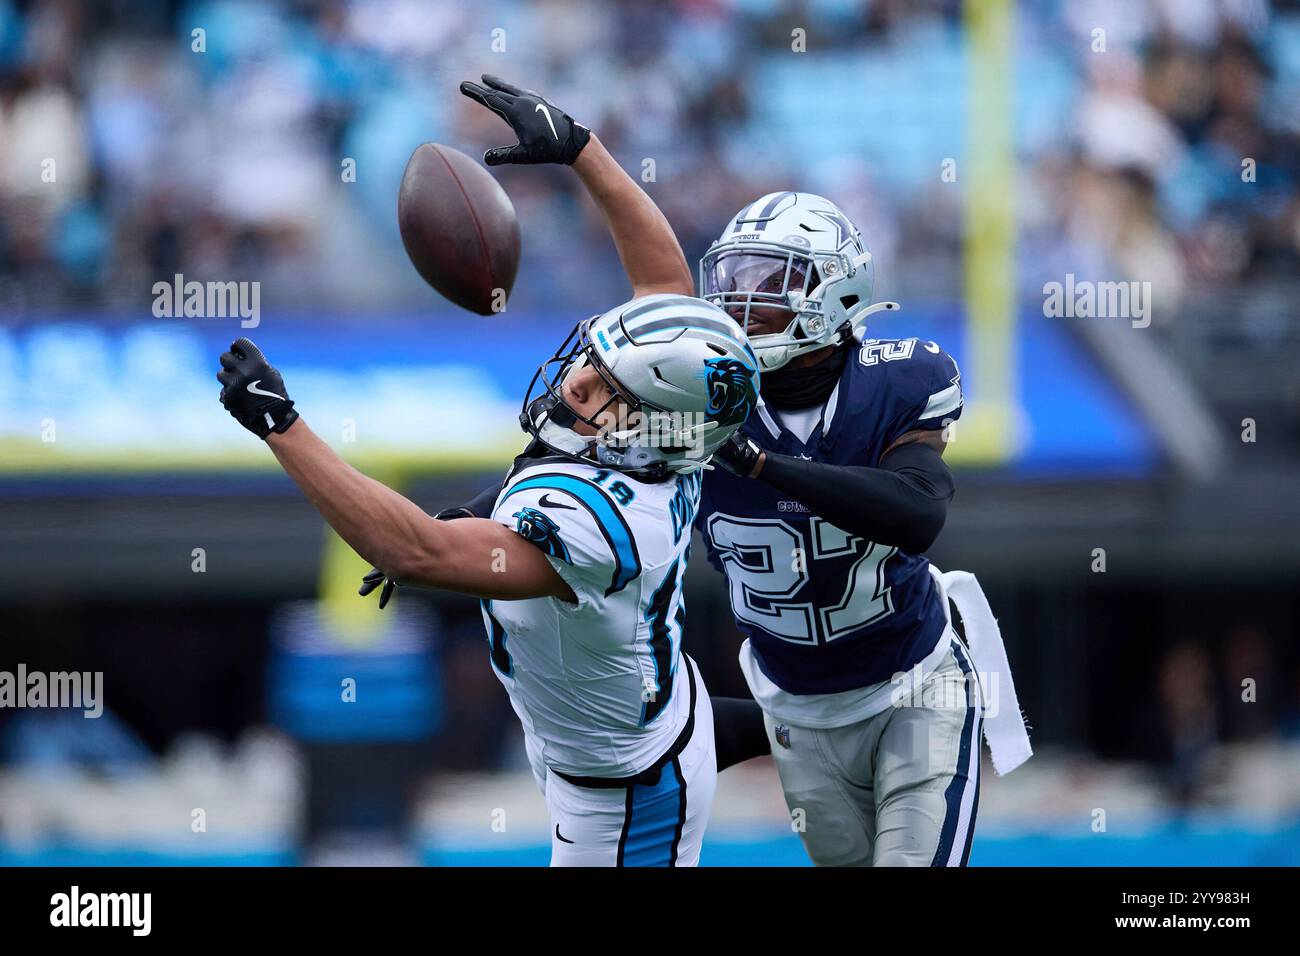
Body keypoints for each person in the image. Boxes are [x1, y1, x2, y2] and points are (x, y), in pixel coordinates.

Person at [215, 76, 761, 867]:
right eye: (595, 361)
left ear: (654, 425)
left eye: (608, 388)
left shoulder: (606, 526)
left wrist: (282, 426)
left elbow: (418, 556)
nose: (577, 383)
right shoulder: (666, 440)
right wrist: (582, 151)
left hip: (629, 802)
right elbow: (665, 290)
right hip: (635, 734)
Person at [696, 191, 1031, 866]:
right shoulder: (699, 396)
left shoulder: (897, 379)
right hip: (794, 710)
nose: (740, 303)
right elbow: (588, 467)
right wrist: (463, 523)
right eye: (732, 282)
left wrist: (766, 466)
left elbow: (917, 512)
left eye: (768, 283)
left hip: (914, 689)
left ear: (836, 293)